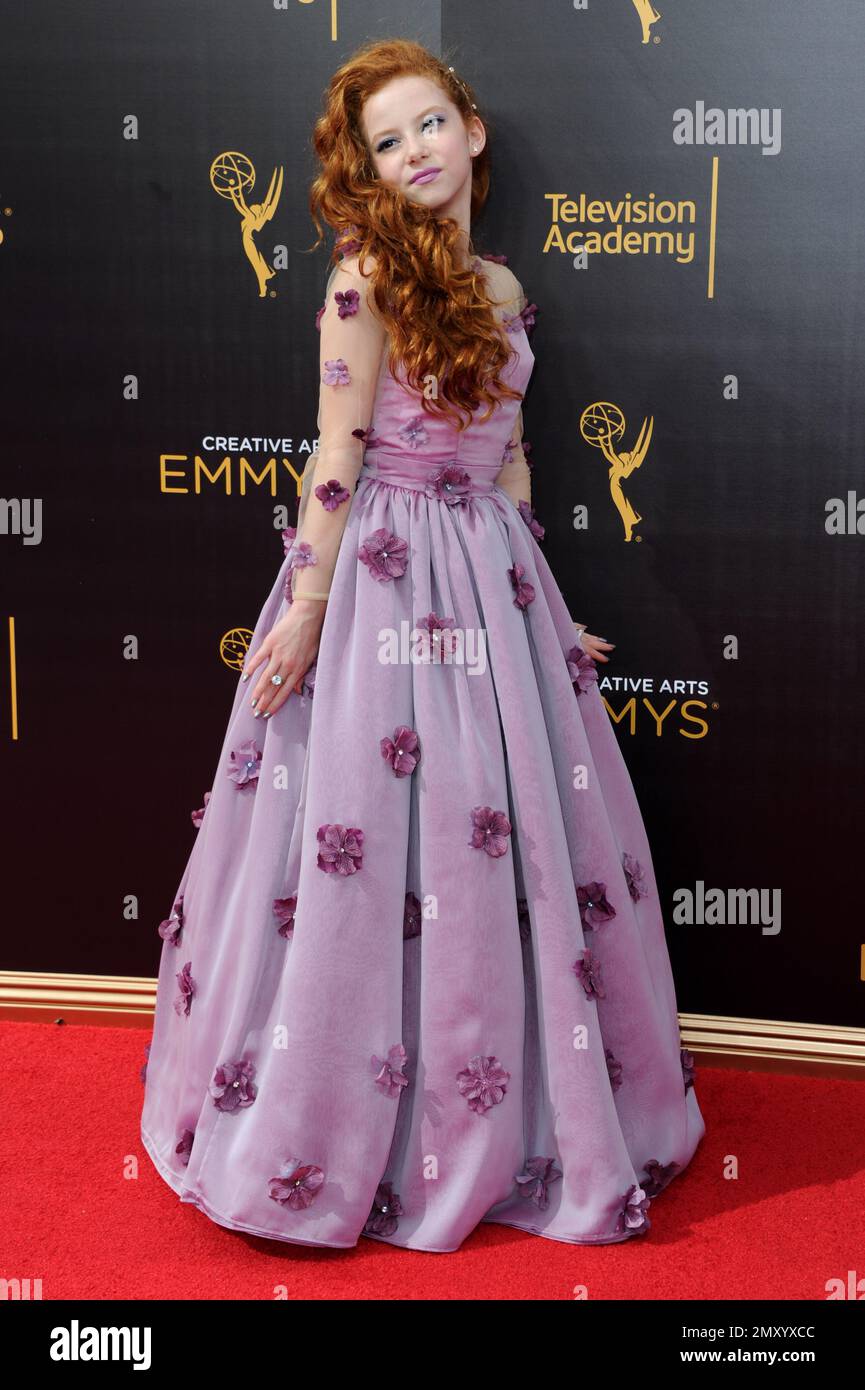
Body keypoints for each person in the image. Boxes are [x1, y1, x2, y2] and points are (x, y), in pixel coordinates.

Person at [140, 38, 705, 1253]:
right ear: (372, 174)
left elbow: (507, 459)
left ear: (474, 129)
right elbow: (335, 449)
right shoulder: (359, 283)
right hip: (382, 581)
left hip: (490, 578)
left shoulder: (500, 292)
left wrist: (543, 611)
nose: (416, 153)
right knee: (361, 840)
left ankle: (502, 1116)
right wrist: (306, 604)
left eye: (429, 125)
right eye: (389, 143)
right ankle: (331, 1132)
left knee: (486, 842)